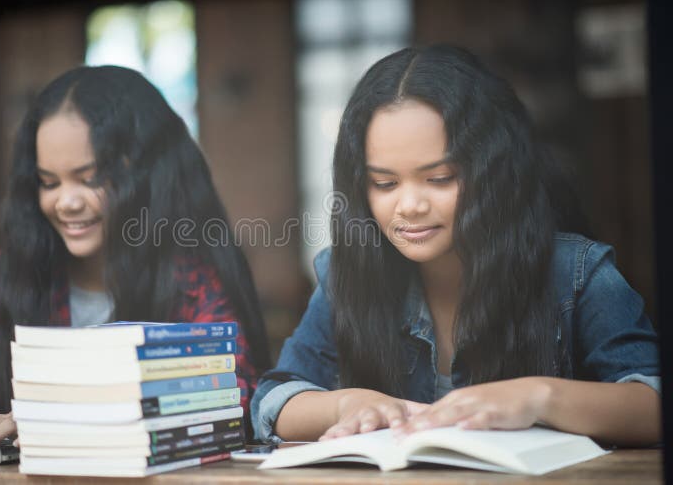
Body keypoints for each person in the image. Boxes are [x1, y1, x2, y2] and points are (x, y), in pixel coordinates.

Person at [251, 44, 660, 447]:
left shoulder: (577, 274)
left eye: (440, 178)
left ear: (493, 171)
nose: (410, 206)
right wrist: (344, 405)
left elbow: (653, 402)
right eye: (385, 184)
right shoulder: (348, 274)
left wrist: (539, 398)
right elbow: (273, 401)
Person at [0, 65, 270, 443]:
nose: (67, 202)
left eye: (90, 179)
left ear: (145, 175)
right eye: (48, 183)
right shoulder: (8, 277)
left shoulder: (193, 280)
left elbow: (232, 397)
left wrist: (59, 416)